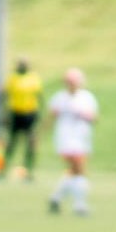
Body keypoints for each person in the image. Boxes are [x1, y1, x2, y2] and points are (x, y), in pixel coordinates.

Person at [46, 67, 98, 216]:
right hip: (65, 140)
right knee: (79, 170)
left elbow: (94, 118)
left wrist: (87, 115)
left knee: (75, 172)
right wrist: (39, 135)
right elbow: (51, 118)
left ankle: (56, 197)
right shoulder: (60, 98)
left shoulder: (87, 98)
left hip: (82, 139)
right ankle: (79, 206)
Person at [0, 57, 42, 181]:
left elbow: (38, 96)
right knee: (11, 144)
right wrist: (4, 114)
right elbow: (5, 96)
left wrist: (39, 113)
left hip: (30, 113)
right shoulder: (12, 78)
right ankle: (3, 170)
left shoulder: (33, 78)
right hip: (15, 113)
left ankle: (29, 171)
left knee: (30, 144)